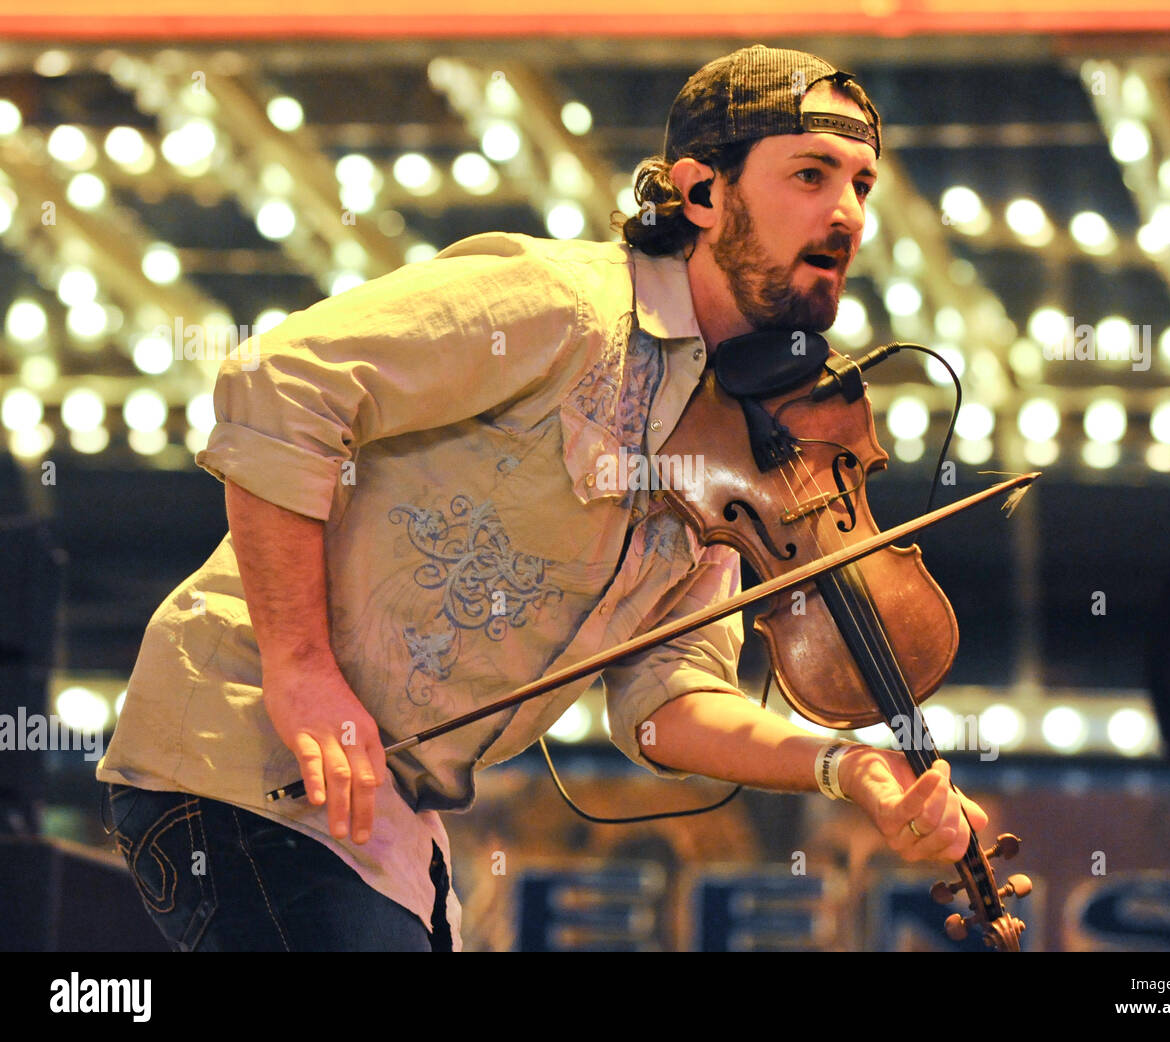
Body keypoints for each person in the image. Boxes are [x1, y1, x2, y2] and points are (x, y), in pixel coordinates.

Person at [96, 43, 988, 952]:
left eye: (863, 186)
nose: (847, 214)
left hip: (379, 822)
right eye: (811, 174)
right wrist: (301, 669)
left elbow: (667, 698)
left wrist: (848, 766)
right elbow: (282, 379)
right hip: (242, 764)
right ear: (703, 193)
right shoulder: (562, 303)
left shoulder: (739, 453)